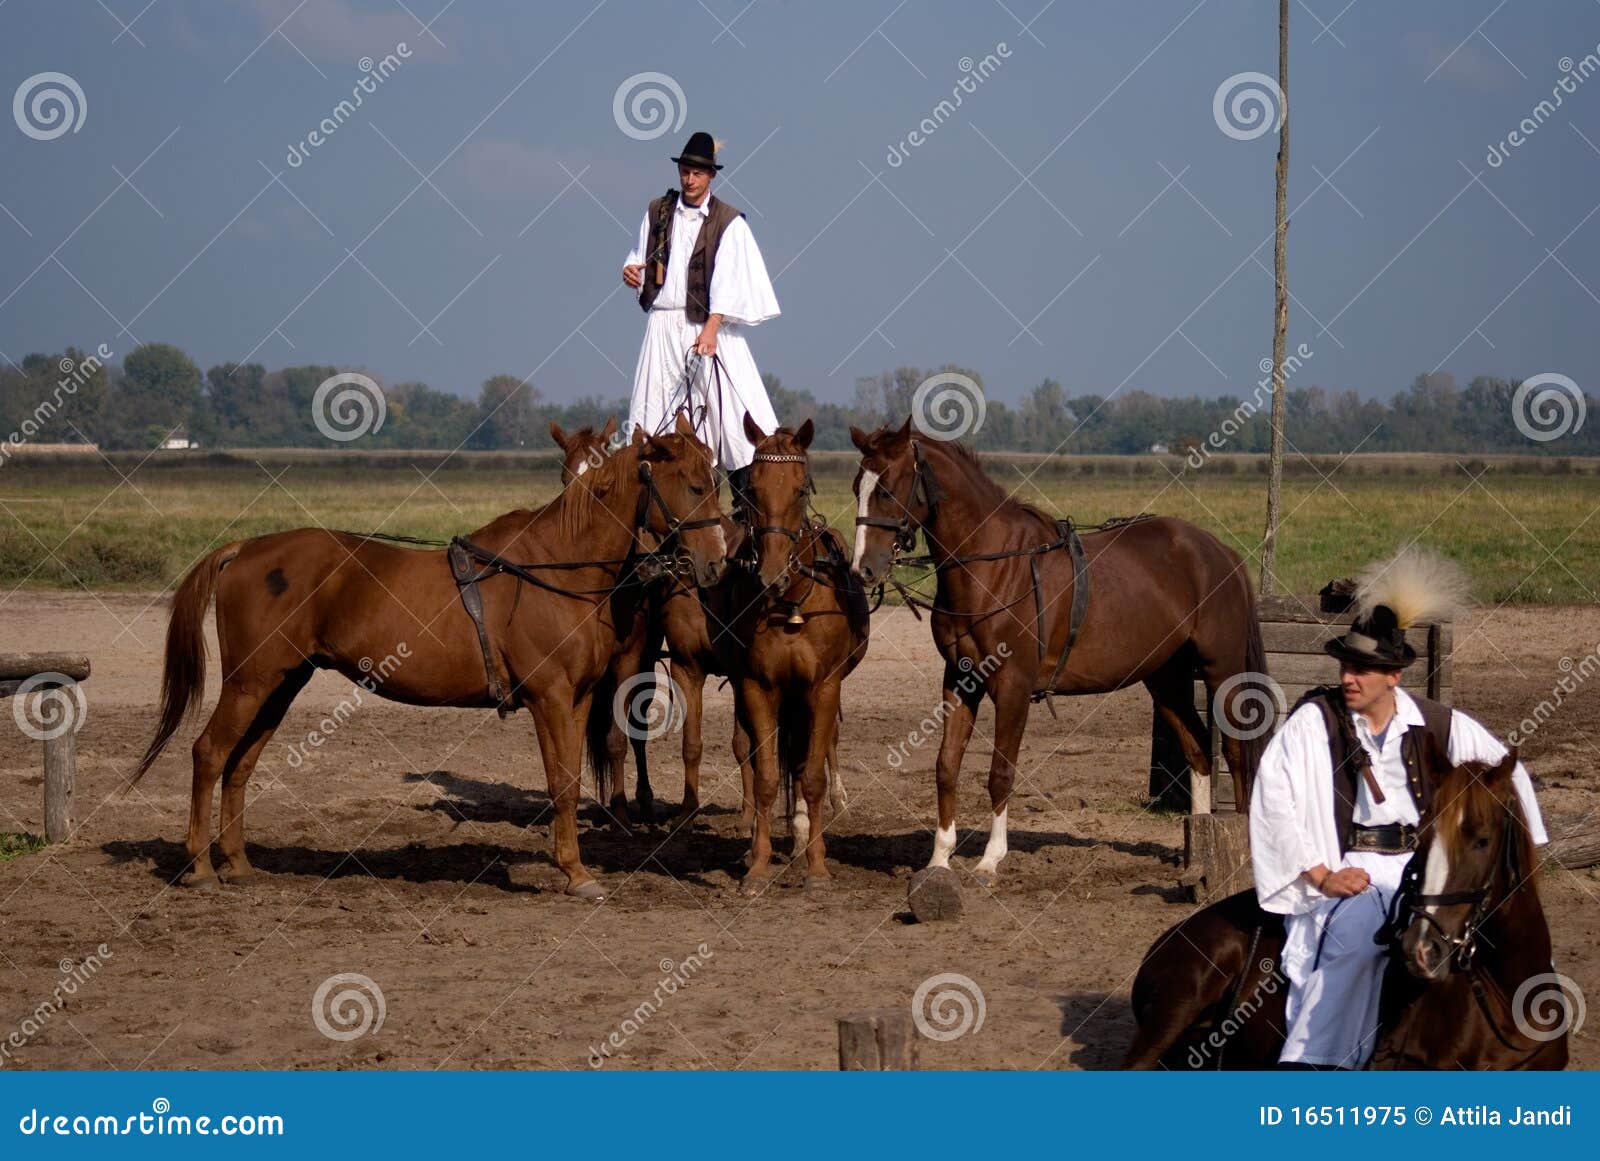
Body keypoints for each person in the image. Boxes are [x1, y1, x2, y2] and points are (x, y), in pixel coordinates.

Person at [1249, 548, 1548, 1069]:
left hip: (1426, 865)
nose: (1349, 677)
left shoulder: (1440, 724)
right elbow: (1275, 800)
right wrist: (1321, 875)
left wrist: (1519, 861)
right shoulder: (1312, 723)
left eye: (1363, 669)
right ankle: (1316, 1063)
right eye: (1346, 665)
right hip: (1351, 867)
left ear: (1394, 676)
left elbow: (1507, 776)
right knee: (1360, 947)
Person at [622, 130, 780, 515]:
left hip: (711, 329)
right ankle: (663, 517)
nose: (689, 179)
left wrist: (711, 330)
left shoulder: (729, 222)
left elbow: (728, 280)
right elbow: (637, 258)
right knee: (653, 419)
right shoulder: (657, 212)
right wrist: (630, 271)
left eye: (697, 173)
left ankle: (746, 513)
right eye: (685, 171)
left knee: (734, 420)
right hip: (662, 328)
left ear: (711, 175)